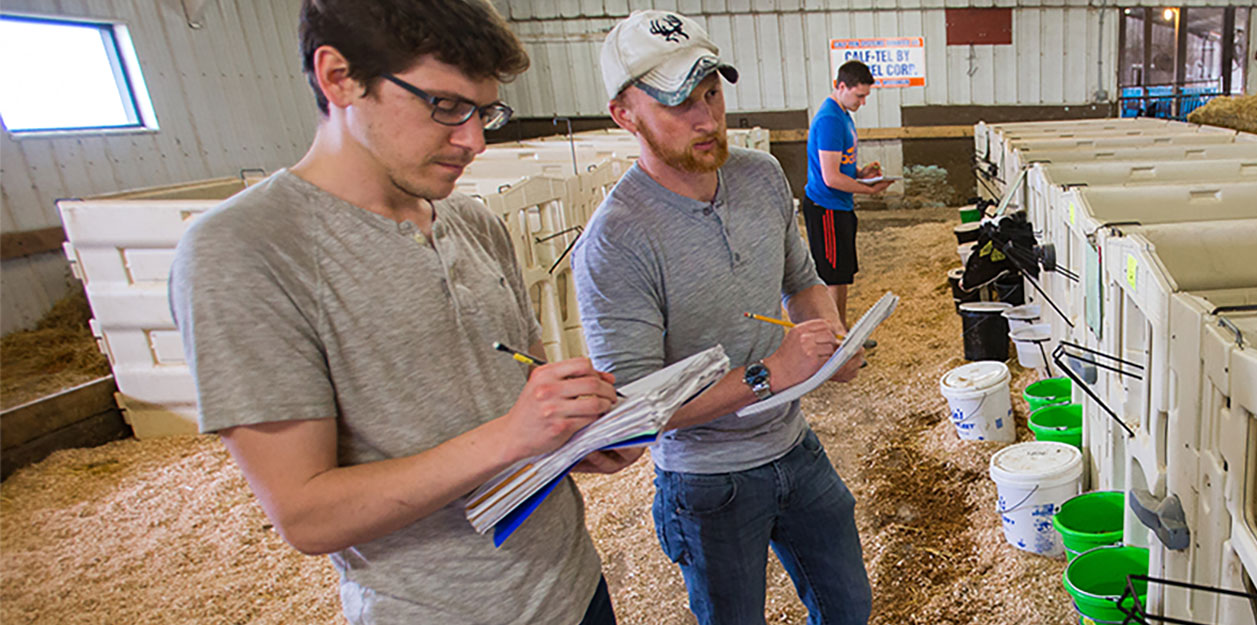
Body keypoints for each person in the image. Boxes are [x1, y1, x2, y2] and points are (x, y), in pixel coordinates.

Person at [168, 1, 632, 623]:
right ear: (339, 78)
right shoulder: (247, 250)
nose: (472, 139)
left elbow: (520, 391)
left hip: (572, 584)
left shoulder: (471, 222)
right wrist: (510, 435)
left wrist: (578, 432)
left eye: (484, 111)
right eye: (444, 106)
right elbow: (306, 514)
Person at [575, 10, 872, 625]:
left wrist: (831, 342)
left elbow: (803, 282)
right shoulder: (616, 240)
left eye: (711, 93)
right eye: (679, 103)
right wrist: (771, 373)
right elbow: (636, 409)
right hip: (708, 482)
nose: (707, 119)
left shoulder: (759, 176)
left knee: (848, 606)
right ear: (624, 113)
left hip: (794, 446)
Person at [803, 60, 893, 327]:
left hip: (839, 206)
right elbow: (831, 177)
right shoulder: (830, 118)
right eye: (859, 95)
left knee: (840, 276)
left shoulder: (842, 115)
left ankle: (842, 332)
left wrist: (861, 173)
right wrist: (868, 189)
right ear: (841, 86)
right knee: (832, 278)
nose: (863, 102)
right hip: (826, 206)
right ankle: (837, 339)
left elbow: (840, 165)